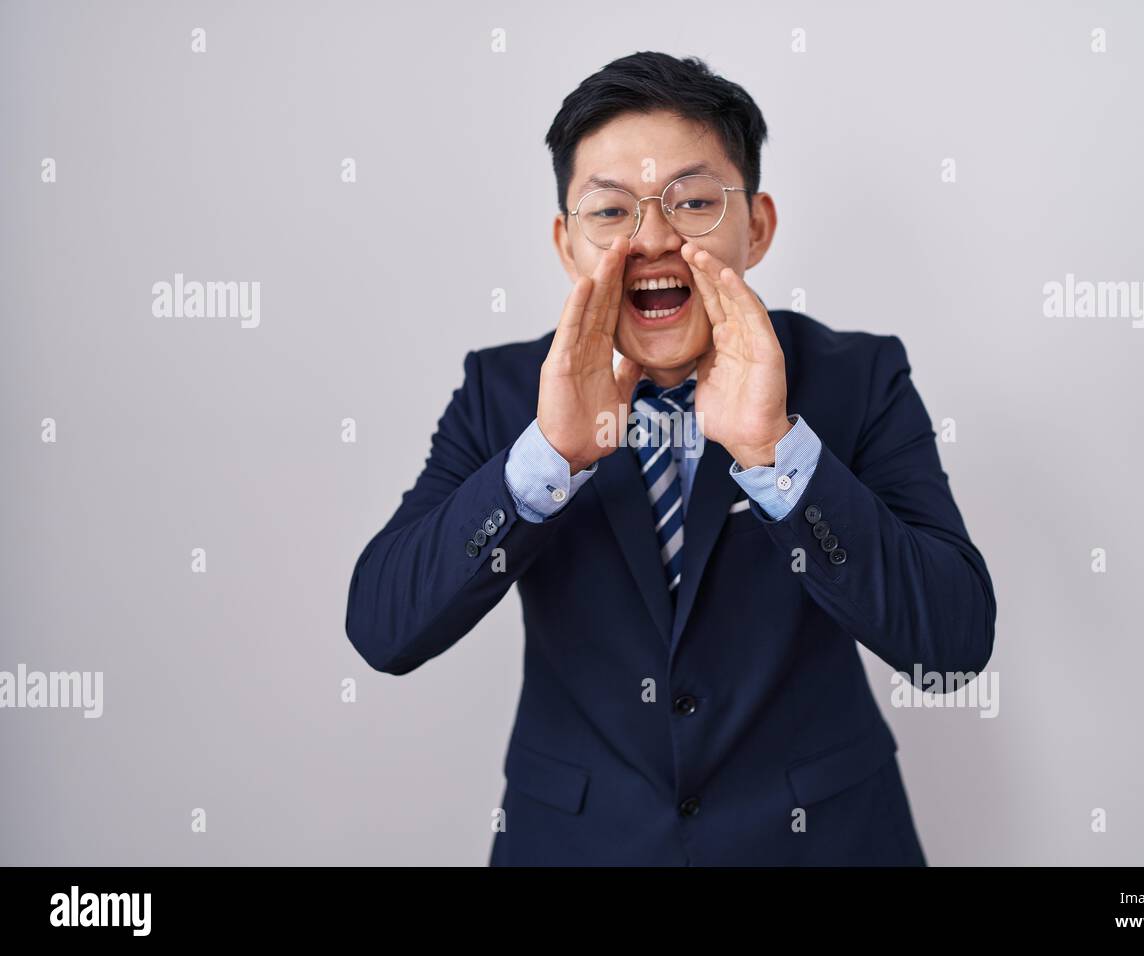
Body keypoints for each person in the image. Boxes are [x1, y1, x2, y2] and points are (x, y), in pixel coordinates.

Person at [345, 51, 997, 866]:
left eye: (692, 201)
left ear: (755, 225)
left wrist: (774, 450)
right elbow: (382, 627)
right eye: (611, 212)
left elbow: (953, 648)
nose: (653, 238)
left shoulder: (857, 378)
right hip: (580, 844)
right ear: (566, 241)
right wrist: (547, 459)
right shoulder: (502, 389)